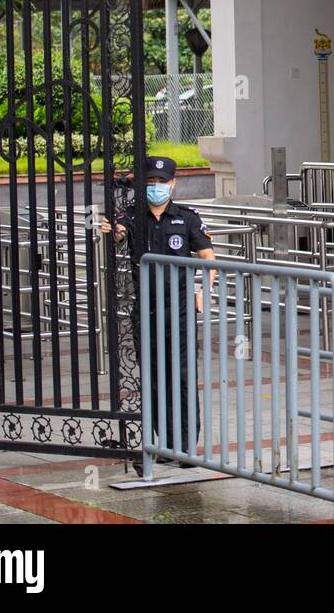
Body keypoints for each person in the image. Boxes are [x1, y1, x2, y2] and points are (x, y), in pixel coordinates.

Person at [101, 155, 216, 467]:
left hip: (179, 313)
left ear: (173, 183)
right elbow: (118, 234)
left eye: (161, 182)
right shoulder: (132, 216)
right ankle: (165, 445)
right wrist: (111, 230)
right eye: (150, 181)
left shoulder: (187, 218)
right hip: (146, 312)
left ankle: (186, 446)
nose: (156, 187)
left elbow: (208, 256)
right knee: (153, 379)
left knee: (181, 377)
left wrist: (202, 291)